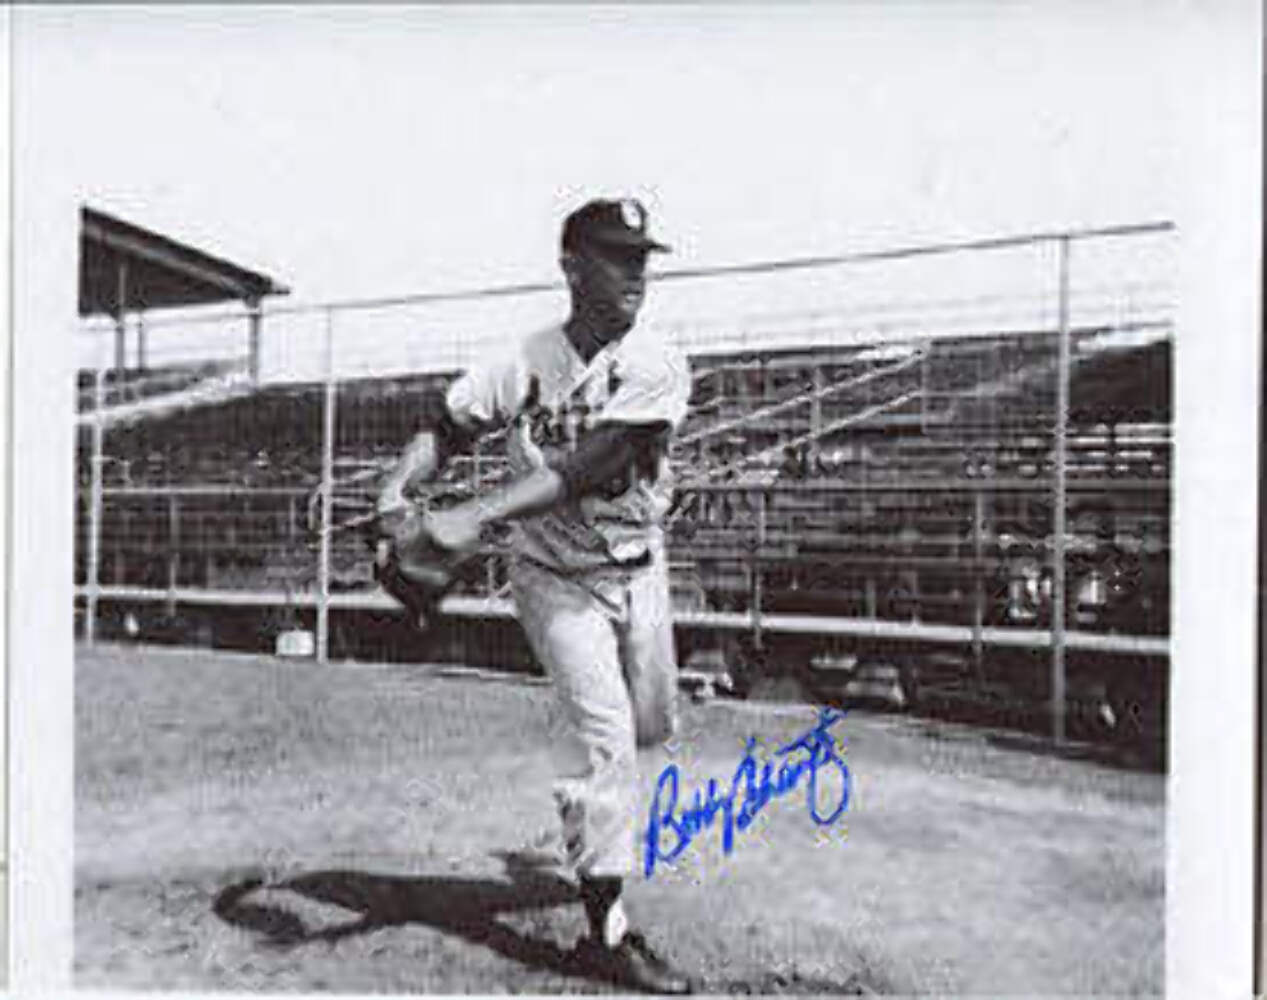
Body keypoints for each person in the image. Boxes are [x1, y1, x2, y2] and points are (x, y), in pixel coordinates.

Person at [376, 198, 692, 994]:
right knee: (606, 740)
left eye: (641, 257)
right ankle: (606, 932)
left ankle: (586, 814)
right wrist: (397, 491)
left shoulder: (657, 360)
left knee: (648, 725)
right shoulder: (524, 358)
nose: (635, 272)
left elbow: (596, 466)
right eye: (617, 255)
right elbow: (443, 424)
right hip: (554, 579)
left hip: (636, 563)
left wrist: (466, 517)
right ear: (571, 264)